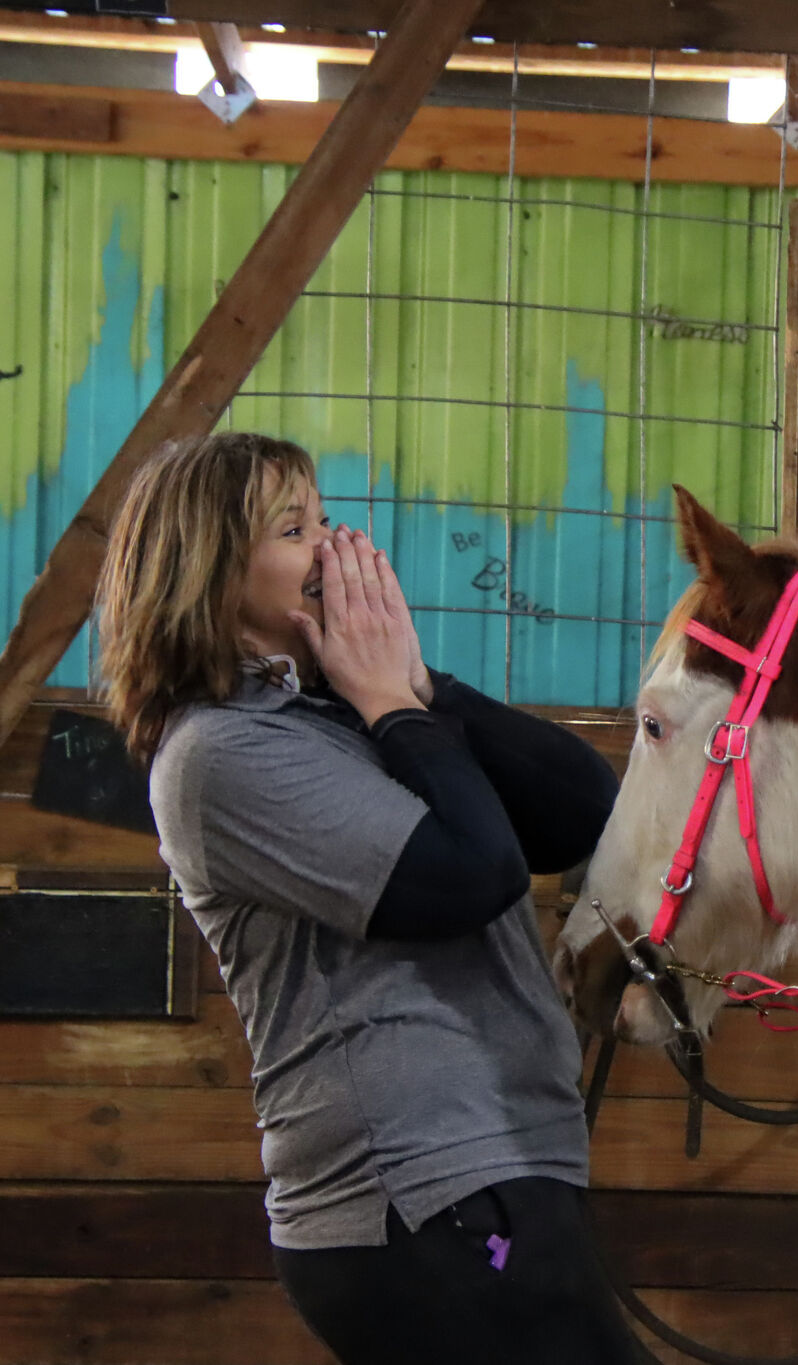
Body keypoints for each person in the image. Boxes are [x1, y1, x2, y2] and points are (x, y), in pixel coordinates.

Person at [97, 432, 641, 1364]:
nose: (334, 545)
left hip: (489, 1170)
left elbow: (585, 811)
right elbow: (472, 876)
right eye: (293, 527)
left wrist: (417, 685)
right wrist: (393, 703)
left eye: (323, 515)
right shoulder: (220, 754)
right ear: (213, 574)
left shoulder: (346, 711)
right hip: (420, 1197)